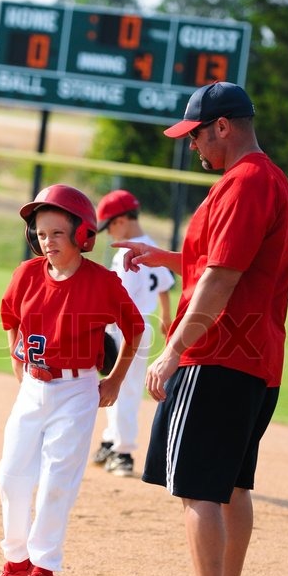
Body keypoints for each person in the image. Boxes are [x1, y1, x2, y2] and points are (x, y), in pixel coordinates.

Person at [115, 82, 288, 576]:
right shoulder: (270, 181)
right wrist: (171, 260)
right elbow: (230, 265)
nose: (192, 144)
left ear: (223, 126)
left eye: (195, 133)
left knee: (198, 489)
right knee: (231, 489)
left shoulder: (245, 183)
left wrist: (173, 349)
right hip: (255, 358)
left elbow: (219, 283)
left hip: (217, 355)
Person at [0, 184, 144, 576]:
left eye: (56, 233)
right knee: (11, 474)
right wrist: (16, 359)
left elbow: (135, 329)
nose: (45, 242)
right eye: (39, 233)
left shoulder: (102, 283)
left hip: (76, 390)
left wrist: (114, 380)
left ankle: (44, 574)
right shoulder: (26, 274)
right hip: (34, 387)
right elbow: (10, 317)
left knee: (56, 482)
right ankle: (17, 562)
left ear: (82, 235)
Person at [92, 189, 174, 476]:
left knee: (121, 388)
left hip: (126, 329)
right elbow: (165, 284)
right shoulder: (150, 245)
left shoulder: (128, 251)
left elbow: (119, 297)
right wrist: (165, 314)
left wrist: (99, 323)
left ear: (124, 219)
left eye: (111, 225)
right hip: (142, 327)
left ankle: (123, 452)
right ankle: (111, 438)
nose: (109, 232)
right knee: (117, 385)